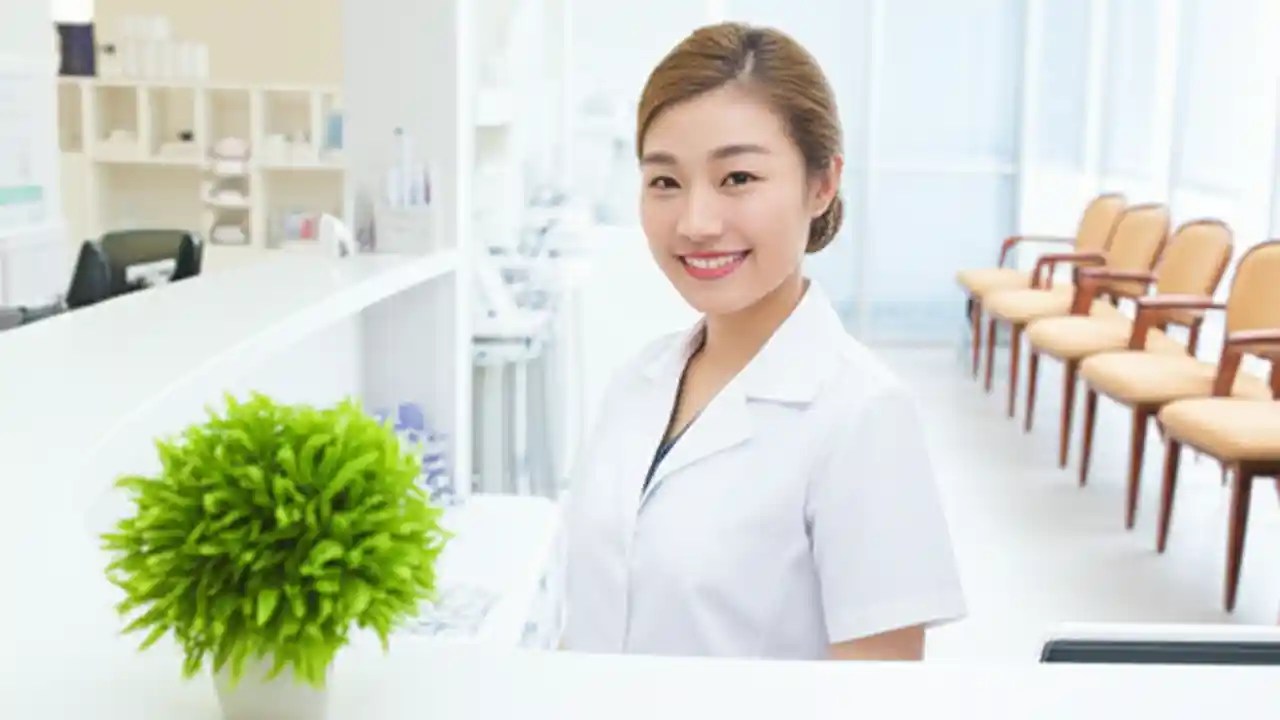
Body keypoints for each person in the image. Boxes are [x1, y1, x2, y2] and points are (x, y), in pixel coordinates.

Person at [562, 22, 965, 661]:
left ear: (821, 184)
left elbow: (878, 697)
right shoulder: (637, 382)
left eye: (738, 178)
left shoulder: (862, 416)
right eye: (665, 182)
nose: (695, 223)